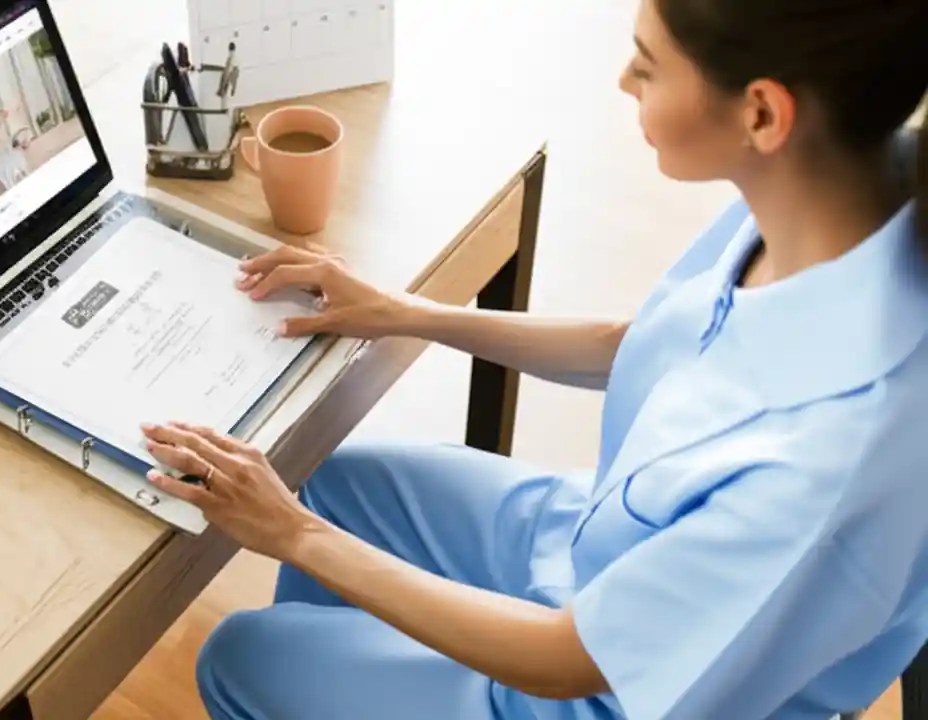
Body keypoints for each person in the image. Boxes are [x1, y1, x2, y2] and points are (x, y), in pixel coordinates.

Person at [138, 0, 928, 718]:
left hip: (604, 685)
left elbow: (569, 661)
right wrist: (404, 311)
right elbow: (644, 340)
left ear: (762, 111)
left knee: (240, 656)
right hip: (594, 542)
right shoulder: (839, 185)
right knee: (337, 483)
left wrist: (293, 534)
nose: (623, 79)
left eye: (647, 66)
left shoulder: (830, 467)